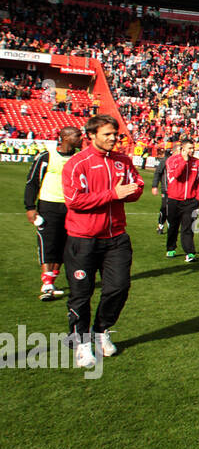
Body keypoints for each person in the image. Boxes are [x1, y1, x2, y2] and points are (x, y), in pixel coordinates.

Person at [62, 115, 143, 369]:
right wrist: (112, 194)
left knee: (119, 287)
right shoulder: (78, 164)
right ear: (92, 135)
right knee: (81, 294)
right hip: (82, 239)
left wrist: (129, 192)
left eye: (115, 134)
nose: (113, 138)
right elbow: (74, 200)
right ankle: (82, 344)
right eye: (107, 134)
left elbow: (137, 185)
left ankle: (101, 330)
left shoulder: (123, 160)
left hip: (116, 237)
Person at [24, 125, 80, 300]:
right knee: (48, 243)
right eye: (77, 135)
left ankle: (50, 281)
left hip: (72, 207)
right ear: (65, 137)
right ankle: (47, 284)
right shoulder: (46, 156)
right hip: (49, 206)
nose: (81, 138)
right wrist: (30, 207)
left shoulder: (79, 158)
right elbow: (32, 182)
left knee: (64, 245)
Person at [164, 137, 199, 262]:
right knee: (173, 226)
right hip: (174, 199)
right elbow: (175, 175)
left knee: (188, 227)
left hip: (190, 201)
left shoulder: (198, 163)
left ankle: (190, 253)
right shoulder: (172, 160)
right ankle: (171, 248)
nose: (191, 151)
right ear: (182, 149)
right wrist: (184, 161)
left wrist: (198, 197)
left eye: (193, 148)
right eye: (189, 148)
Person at [151, 149, 168, 234]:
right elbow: (157, 172)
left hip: (178, 191)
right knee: (164, 208)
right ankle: (160, 225)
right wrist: (155, 186)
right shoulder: (166, 161)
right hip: (166, 189)